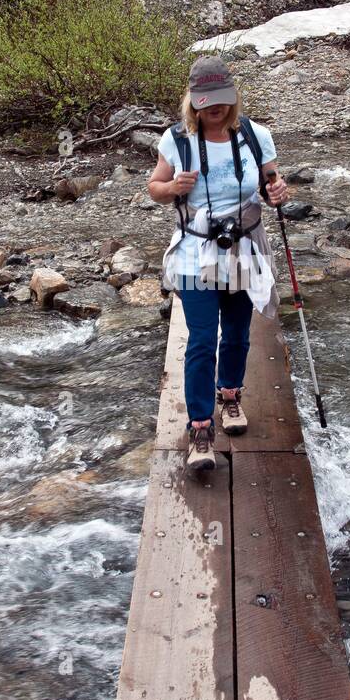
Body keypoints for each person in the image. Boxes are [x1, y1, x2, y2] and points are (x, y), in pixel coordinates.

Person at [148, 55, 290, 472]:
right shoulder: (177, 140)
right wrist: (172, 186)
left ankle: (230, 395)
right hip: (195, 253)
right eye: (207, 101)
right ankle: (200, 426)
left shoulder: (255, 135)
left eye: (223, 100)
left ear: (233, 97)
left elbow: (272, 184)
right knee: (202, 340)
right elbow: (154, 188)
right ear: (192, 101)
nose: (216, 109)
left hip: (243, 248)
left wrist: (279, 191)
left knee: (237, 336)